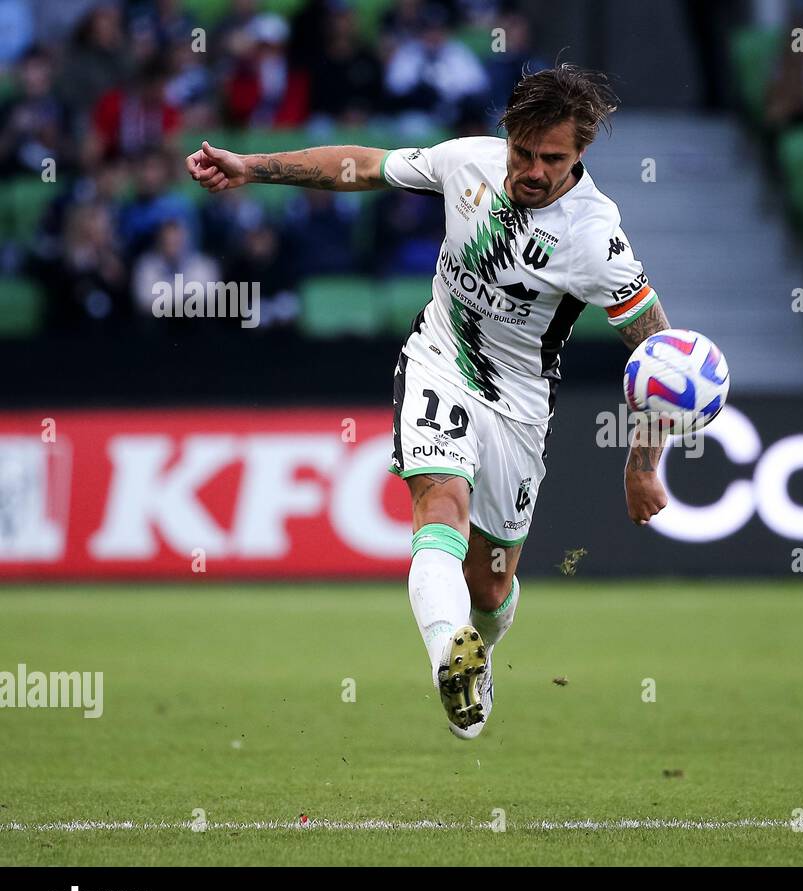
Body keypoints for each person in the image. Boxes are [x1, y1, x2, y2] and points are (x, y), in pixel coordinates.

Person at [185, 65, 673, 740]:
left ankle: (480, 652)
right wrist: (253, 167)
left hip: (521, 406)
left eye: (551, 159)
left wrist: (644, 464)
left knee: (492, 588)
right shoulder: (466, 161)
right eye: (522, 152)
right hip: (438, 361)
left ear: (580, 153)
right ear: (506, 136)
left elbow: (660, 357)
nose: (531, 170)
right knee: (439, 504)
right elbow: (360, 165)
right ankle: (450, 656)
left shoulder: (596, 239)